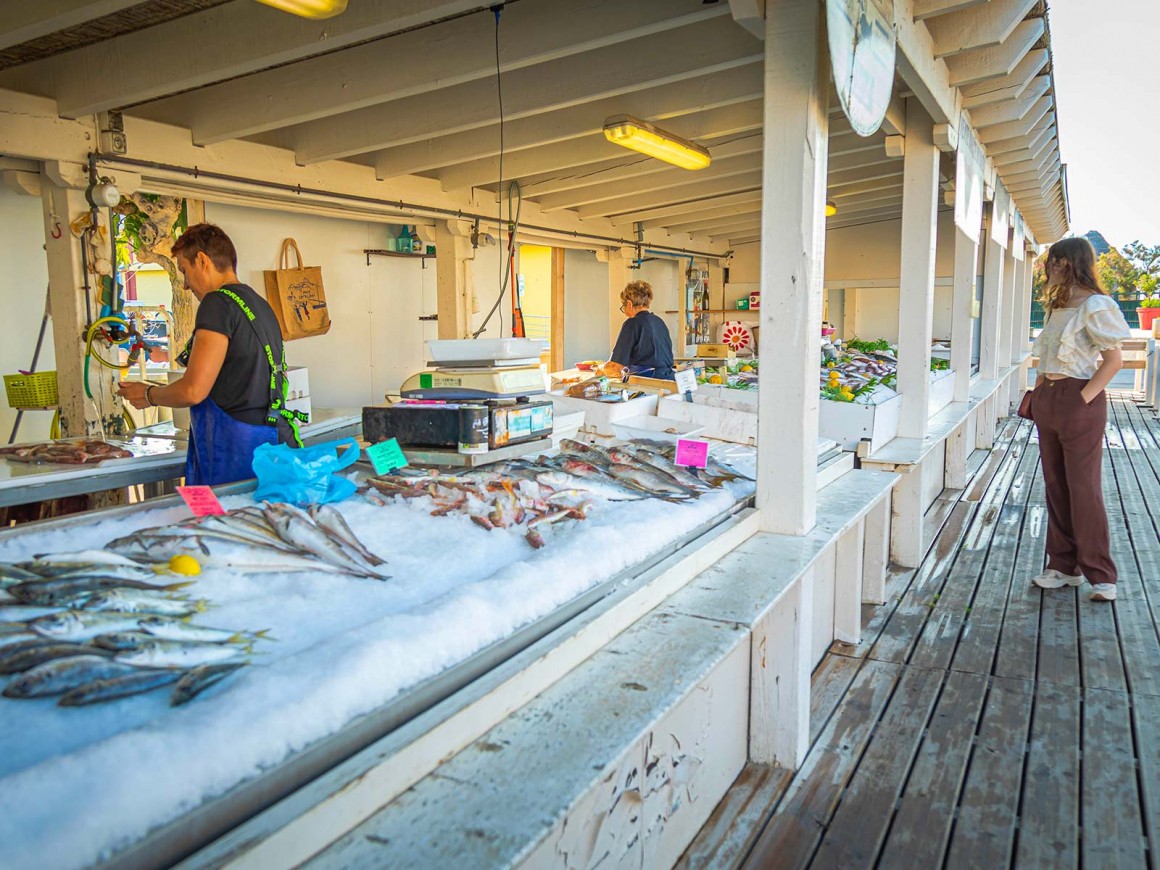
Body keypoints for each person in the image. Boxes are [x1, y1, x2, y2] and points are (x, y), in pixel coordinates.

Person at [119, 223, 305, 486]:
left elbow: (193, 391)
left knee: (222, 521)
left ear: (202, 260)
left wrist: (149, 395)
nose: (184, 285)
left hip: (236, 450)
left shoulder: (216, 303)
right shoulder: (259, 304)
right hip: (271, 440)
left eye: (184, 270)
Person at [1028, 236, 1130, 602]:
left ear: (1071, 263)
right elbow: (1046, 357)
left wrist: (1082, 399)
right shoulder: (1058, 305)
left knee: (1083, 488)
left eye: (1054, 262)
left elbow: (1114, 361)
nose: (1048, 268)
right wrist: (1039, 394)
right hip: (1049, 399)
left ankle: (1101, 575)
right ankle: (1063, 566)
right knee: (1055, 485)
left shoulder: (1096, 305)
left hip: (1079, 399)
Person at [600, 280, 675, 381]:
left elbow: (616, 367)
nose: (624, 312)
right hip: (670, 380)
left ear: (629, 304)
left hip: (647, 382)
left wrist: (599, 369)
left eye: (624, 307)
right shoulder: (659, 321)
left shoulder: (632, 324)